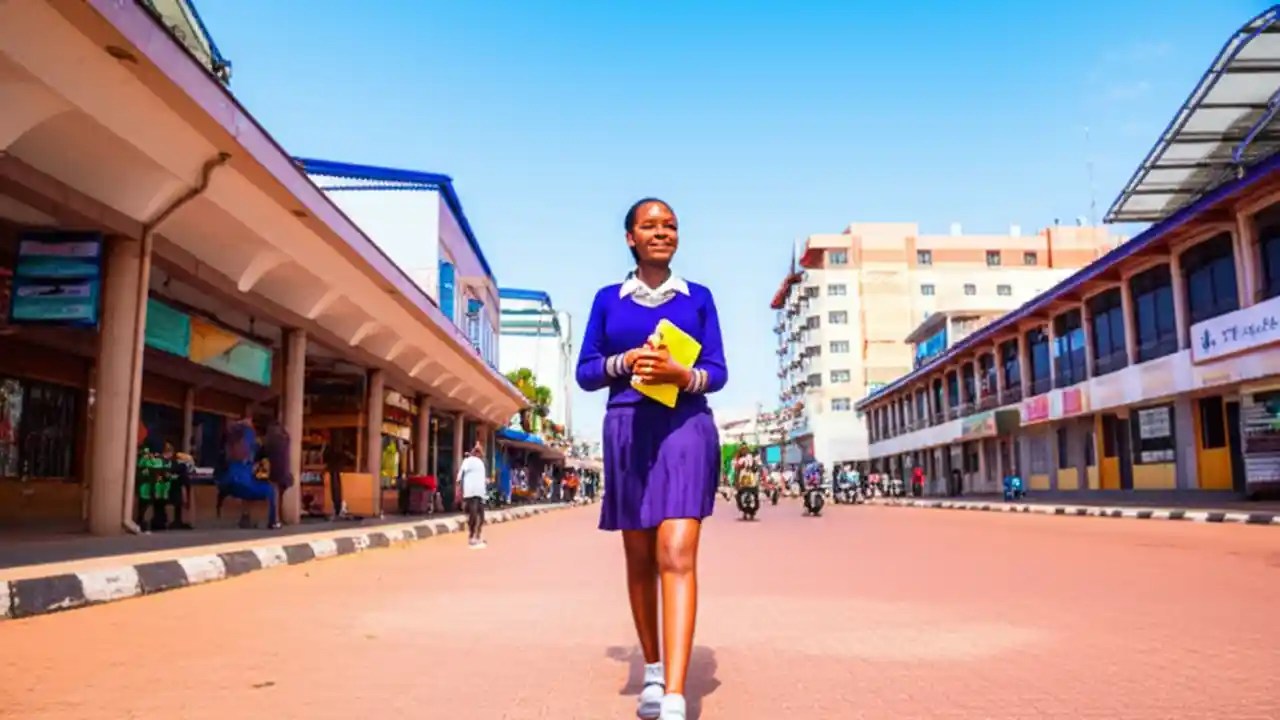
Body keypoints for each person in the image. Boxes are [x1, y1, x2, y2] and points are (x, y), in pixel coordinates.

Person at [576, 198, 727, 720]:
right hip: (627, 427)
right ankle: (655, 672)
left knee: (677, 553)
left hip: (685, 428)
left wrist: (682, 376)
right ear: (630, 238)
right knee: (640, 559)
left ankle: (678, 697)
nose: (661, 232)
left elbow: (718, 370)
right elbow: (587, 371)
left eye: (670, 226)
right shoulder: (607, 300)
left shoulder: (699, 298)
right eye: (649, 226)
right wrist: (628, 361)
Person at [218, 416, 280, 530]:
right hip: (243, 482)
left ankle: (245, 518)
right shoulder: (249, 443)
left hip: (229, 482)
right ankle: (273, 521)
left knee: (249, 491)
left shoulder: (230, 447)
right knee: (271, 490)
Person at [457, 442, 488, 548]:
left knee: (481, 516)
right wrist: (459, 487)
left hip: (480, 492)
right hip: (471, 492)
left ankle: (478, 535)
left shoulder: (481, 463)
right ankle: (471, 536)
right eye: (477, 451)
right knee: (473, 515)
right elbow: (460, 474)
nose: (479, 453)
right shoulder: (467, 461)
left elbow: (482, 479)